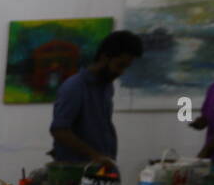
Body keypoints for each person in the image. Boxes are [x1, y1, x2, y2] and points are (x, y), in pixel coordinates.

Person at [49, 30, 143, 165]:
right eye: (120, 65)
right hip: (75, 173)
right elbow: (59, 130)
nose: (121, 72)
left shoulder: (107, 87)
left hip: (98, 167)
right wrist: (96, 156)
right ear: (105, 57)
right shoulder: (74, 86)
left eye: (125, 67)